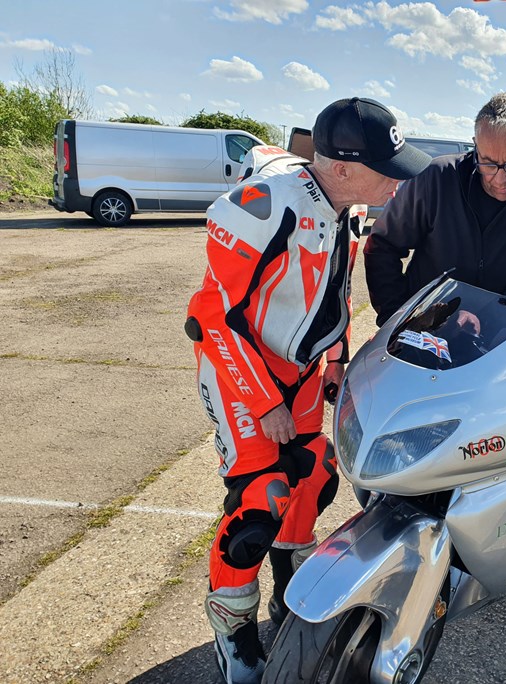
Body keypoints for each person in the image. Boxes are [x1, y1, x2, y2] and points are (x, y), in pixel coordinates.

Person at [184, 97, 431, 684]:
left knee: (310, 476)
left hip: (298, 371)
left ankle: (289, 600)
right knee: (257, 502)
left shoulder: (344, 205)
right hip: (240, 368)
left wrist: (338, 360)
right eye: (386, 168)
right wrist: (263, 399)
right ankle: (233, 631)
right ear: (342, 166)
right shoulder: (267, 206)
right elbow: (209, 315)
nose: (399, 181)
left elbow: (334, 293)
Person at [363, 92, 506, 326]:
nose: (500, 179)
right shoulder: (436, 179)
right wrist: (398, 318)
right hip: (422, 329)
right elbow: (382, 246)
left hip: (497, 335)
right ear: (476, 146)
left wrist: (488, 319)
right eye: (488, 163)